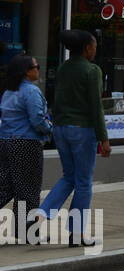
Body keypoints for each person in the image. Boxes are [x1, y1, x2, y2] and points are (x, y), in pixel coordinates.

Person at [33, 30, 109, 244]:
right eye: (93, 46)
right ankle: (76, 233)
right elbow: (96, 106)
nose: (95, 49)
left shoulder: (64, 68)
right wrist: (104, 137)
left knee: (69, 176)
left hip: (61, 128)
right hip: (83, 129)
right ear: (87, 48)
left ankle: (42, 212)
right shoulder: (92, 70)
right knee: (83, 181)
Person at [0, 54, 51, 229]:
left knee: (5, 185)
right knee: (28, 189)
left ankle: (23, 229)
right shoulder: (31, 91)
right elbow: (38, 120)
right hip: (27, 143)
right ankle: (26, 230)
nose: (38, 70)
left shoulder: (8, 91)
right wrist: (51, 129)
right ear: (26, 72)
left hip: (6, 142)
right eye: (36, 67)